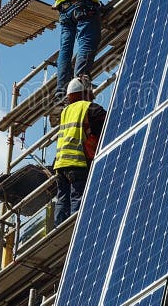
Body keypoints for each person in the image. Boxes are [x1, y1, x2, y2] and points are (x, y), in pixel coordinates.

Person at [53, 78, 107, 226]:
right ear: (83, 92)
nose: (92, 95)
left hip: (60, 164)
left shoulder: (65, 112)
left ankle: (58, 229)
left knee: (62, 200)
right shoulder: (88, 108)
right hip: (77, 163)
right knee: (77, 197)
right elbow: (108, 123)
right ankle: (74, 229)